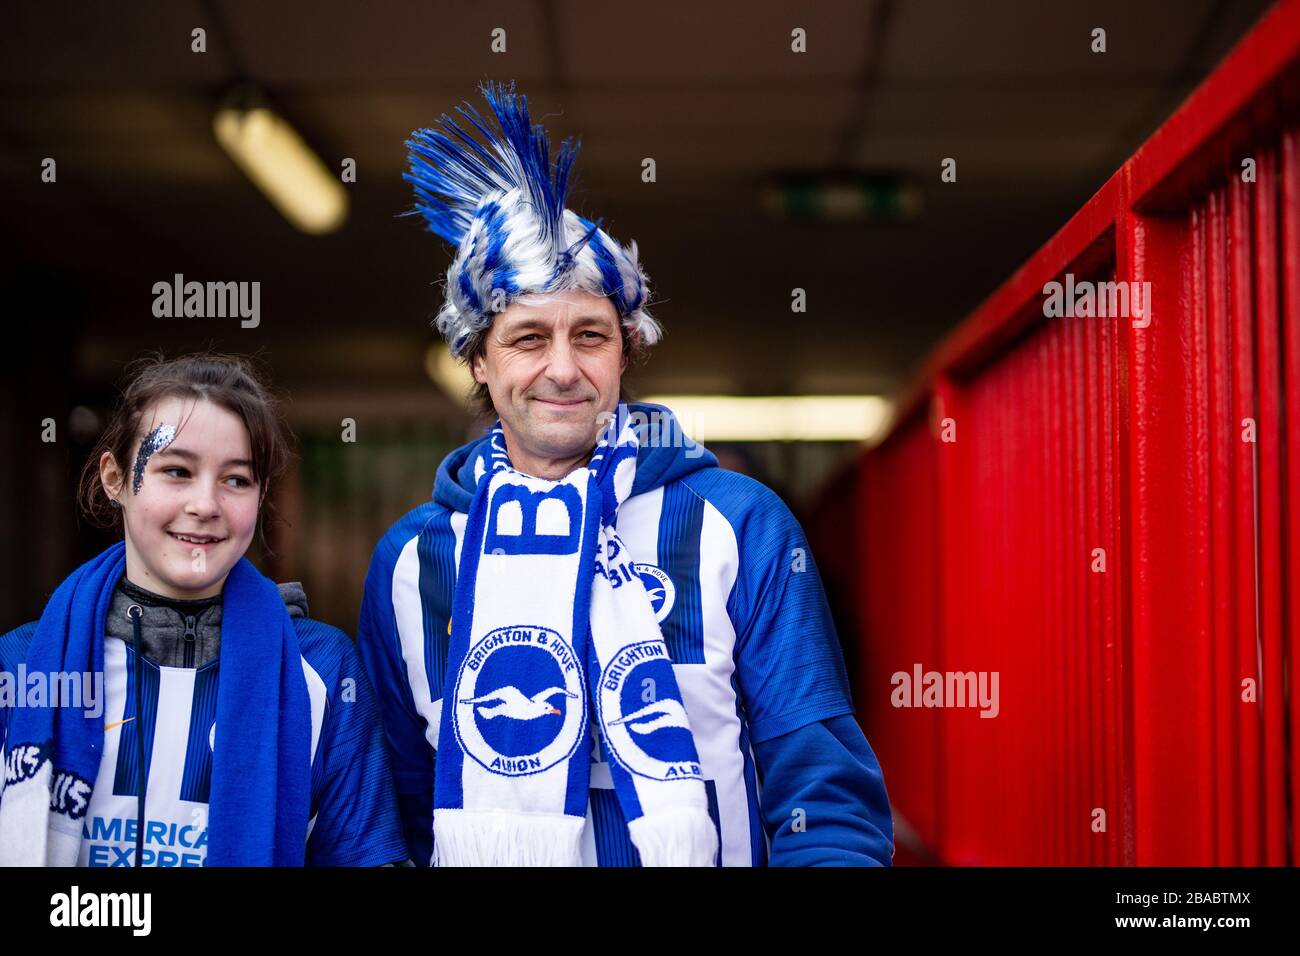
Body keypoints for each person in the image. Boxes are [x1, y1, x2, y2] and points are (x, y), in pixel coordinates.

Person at [359, 80, 894, 866]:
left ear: (627, 349)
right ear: (477, 357)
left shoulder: (738, 524)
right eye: (528, 338)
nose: (563, 370)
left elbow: (825, 797)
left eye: (592, 335)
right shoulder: (412, 560)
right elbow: (389, 822)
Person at [0, 353, 408, 867]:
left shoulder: (322, 668)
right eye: (176, 471)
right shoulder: (23, 663)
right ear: (115, 478)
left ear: (262, 495)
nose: (205, 504)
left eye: (237, 479)